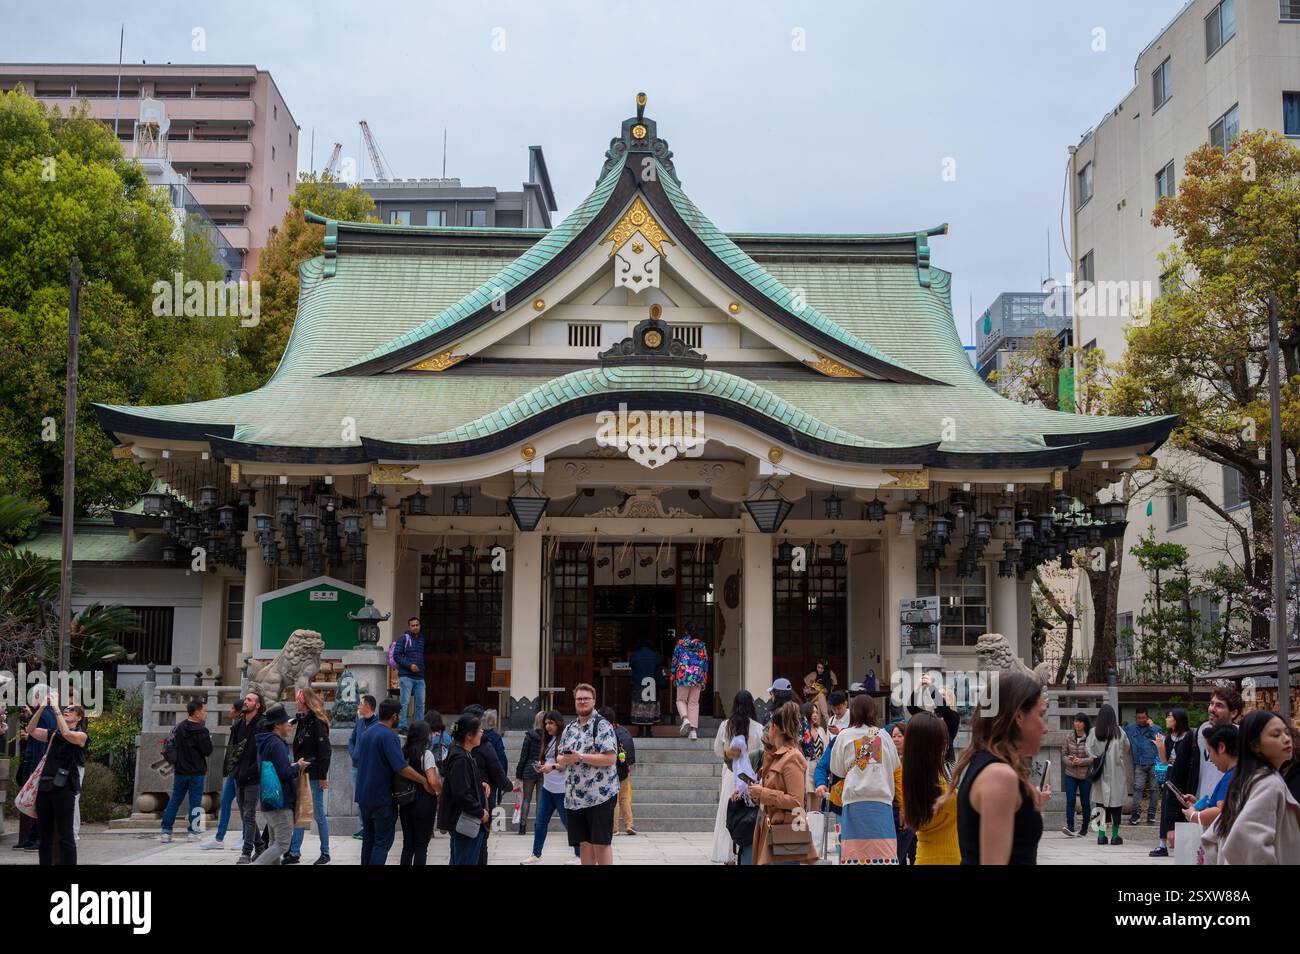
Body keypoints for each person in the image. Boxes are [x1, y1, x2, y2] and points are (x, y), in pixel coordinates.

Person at [954, 671, 1049, 865]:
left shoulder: (986, 764)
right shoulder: (1000, 775)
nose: (1045, 727)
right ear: (1019, 716)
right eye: (1041, 715)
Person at [1201, 710, 1300, 865]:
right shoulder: (1268, 783)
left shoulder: (1249, 779)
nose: (1286, 739)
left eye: (1287, 733)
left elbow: (1213, 838)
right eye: (1276, 734)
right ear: (1255, 746)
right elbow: (1245, 837)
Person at [354, 697, 431, 865]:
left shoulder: (367, 733)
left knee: (368, 840)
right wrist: (423, 780)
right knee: (382, 842)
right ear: (394, 716)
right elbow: (401, 767)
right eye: (400, 715)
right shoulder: (389, 736)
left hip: (363, 795)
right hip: (381, 797)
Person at [830, 694, 899, 864]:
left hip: (854, 803)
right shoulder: (884, 736)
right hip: (881, 802)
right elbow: (895, 765)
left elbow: (837, 769)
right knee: (884, 857)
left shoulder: (844, 736)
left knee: (855, 856)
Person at [557, 683, 620, 865]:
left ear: (594, 701)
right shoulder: (569, 728)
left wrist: (581, 757)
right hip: (575, 797)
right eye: (579, 699)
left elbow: (610, 758)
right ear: (575, 701)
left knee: (601, 843)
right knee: (584, 844)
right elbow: (560, 757)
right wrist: (564, 760)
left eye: (586, 698)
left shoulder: (602, 725)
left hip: (600, 795)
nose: (582, 702)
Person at [749, 701, 818, 865]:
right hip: (771, 828)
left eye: (771, 724)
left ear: (777, 728)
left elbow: (796, 801)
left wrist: (763, 794)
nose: (769, 729)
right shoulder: (775, 756)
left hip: (785, 834)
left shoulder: (791, 758)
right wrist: (756, 793)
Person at [27, 692, 88, 866]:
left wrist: (56, 709)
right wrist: (41, 708)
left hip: (65, 788)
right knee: (44, 835)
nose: (66, 711)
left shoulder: (82, 735)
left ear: (79, 716)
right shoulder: (54, 734)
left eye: (71, 709)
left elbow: (68, 734)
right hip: (45, 786)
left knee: (65, 834)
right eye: (65, 709)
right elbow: (31, 730)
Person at [711, 690, 765, 864]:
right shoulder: (758, 728)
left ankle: (726, 854)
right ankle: (747, 851)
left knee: (729, 813)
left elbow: (718, 751)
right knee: (748, 813)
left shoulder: (726, 726)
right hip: (750, 776)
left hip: (730, 774)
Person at [251, 704, 308, 865]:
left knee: (274, 843)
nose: (290, 726)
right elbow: (283, 773)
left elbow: (276, 769)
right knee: (282, 844)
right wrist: (298, 766)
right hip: (280, 801)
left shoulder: (266, 742)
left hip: (269, 799)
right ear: (277, 725)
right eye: (287, 722)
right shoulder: (276, 744)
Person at [521, 710, 580, 864]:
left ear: (558, 724)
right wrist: (541, 766)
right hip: (547, 789)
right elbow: (546, 760)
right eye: (546, 723)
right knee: (540, 822)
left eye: (551, 723)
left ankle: (579, 854)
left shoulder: (565, 739)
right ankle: (536, 854)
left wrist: (551, 767)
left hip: (562, 790)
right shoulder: (546, 740)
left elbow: (564, 765)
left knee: (569, 823)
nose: (548, 726)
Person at [902, 710, 960, 865]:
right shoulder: (941, 787)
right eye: (942, 741)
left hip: (925, 857)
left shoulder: (913, 780)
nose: (946, 746)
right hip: (947, 858)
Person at [285, 687, 332, 865]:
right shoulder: (303, 721)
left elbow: (325, 752)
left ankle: (325, 852)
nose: (296, 702)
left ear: (304, 700)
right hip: (301, 772)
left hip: (313, 773)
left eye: (298, 699)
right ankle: (294, 852)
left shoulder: (318, 723)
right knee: (299, 813)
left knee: (318, 814)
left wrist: (322, 776)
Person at [438, 714, 490, 865]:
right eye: (479, 730)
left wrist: (479, 785)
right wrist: (480, 812)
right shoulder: (460, 759)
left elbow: (461, 783)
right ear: (469, 735)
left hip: (462, 820)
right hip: (465, 820)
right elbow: (461, 793)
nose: (482, 733)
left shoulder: (462, 754)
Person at [463, 703, 510, 865]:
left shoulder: (460, 746)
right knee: (480, 840)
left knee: (469, 841)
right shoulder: (484, 744)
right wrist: (505, 785)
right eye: (480, 721)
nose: (482, 726)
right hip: (479, 798)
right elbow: (498, 766)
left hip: (477, 795)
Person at [160, 699, 213, 843]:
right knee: (195, 802)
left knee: (175, 800)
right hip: (197, 772)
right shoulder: (202, 731)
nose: (205, 713)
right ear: (196, 713)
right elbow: (208, 751)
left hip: (180, 771)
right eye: (204, 711)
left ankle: (166, 831)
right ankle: (193, 833)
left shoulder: (179, 728)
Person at [200, 700, 249, 851]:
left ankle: (246, 837)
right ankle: (219, 838)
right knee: (226, 801)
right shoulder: (237, 725)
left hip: (240, 770)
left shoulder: (244, 725)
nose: (230, 710)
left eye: (232, 707)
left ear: (239, 711)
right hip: (233, 770)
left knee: (243, 805)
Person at [12, 698, 56, 852]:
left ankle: (37, 838)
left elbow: (40, 742)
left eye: (36, 695)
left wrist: (35, 767)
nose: (33, 698)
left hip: (37, 762)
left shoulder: (45, 714)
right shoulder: (42, 713)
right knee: (34, 802)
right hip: (35, 761)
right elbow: (33, 732)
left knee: (37, 802)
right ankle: (32, 837)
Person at [229, 690, 268, 864]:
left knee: (249, 814)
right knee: (245, 815)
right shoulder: (238, 724)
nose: (246, 702)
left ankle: (246, 852)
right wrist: (233, 769)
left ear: (257, 705)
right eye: (246, 699)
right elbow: (232, 749)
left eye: (250, 700)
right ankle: (260, 847)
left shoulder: (262, 724)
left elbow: (264, 752)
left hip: (254, 776)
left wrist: (253, 770)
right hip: (239, 775)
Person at [1151, 707, 1195, 858]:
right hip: (1171, 775)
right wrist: (1160, 746)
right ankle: (1162, 843)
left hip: (1184, 776)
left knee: (1184, 805)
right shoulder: (1169, 738)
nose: (1166, 719)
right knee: (1166, 807)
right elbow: (1165, 761)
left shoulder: (1189, 737)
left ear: (1178, 719)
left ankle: (1184, 842)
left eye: (1169, 717)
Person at [398, 720, 443, 865]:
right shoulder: (426, 754)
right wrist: (438, 791)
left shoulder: (403, 753)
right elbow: (432, 780)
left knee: (407, 845)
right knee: (421, 846)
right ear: (425, 735)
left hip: (405, 801)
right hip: (424, 802)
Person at [1086, 703, 1131, 846]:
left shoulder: (1094, 731)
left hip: (1100, 772)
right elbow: (1127, 748)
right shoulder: (1120, 732)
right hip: (1116, 773)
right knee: (1116, 804)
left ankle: (1100, 836)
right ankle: (1115, 836)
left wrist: (1096, 756)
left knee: (1099, 803)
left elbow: (1089, 749)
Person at [1181, 724, 1237, 831]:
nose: (1210, 759)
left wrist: (1194, 815)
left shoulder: (1230, 777)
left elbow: (1221, 812)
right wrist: (1198, 803)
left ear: (1221, 748)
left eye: (1209, 752)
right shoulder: (1240, 773)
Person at [1194, 686, 1243, 804]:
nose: (1212, 709)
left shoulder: (1241, 735)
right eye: (1211, 704)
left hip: (1228, 802)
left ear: (1233, 713)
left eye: (1219, 705)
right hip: (1204, 801)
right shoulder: (1202, 731)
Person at [602, 706, 638, 836]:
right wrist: (628, 764)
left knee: (614, 799)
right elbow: (630, 749)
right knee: (624, 797)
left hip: (611, 770)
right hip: (624, 769)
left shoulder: (606, 733)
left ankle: (614, 828)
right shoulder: (623, 731)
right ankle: (629, 824)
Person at [346, 694, 377, 840]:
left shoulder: (377, 724)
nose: (359, 706)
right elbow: (351, 740)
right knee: (359, 799)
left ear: (368, 706)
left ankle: (371, 828)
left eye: (361, 704)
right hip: (356, 766)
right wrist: (353, 753)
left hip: (370, 768)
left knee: (369, 798)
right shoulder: (359, 722)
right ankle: (364, 827)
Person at [670, 623, 709, 740]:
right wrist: (704, 680)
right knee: (694, 703)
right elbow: (706, 663)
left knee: (680, 700)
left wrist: (673, 676)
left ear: (686, 631)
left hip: (683, 674)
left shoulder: (681, 644)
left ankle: (685, 718)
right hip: (697, 676)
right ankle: (693, 732)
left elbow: (675, 660)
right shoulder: (701, 645)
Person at [1124, 706, 1160, 825]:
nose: (1141, 720)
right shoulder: (1130, 728)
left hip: (1154, 762)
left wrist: (1152, 726)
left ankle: (1151, 814)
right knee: (1138, 788)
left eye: (1143, 718)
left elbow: (1160, 740)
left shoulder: (1155, 728)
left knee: (1154, 789)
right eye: (1138, 718)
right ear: (1135, 718)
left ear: (1147, 717)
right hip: (1139, 763)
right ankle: (1136, 814)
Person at [1061, 712, 1093, 837]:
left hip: (1085, 775)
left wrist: (1081, 761)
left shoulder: (1090, 738)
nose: (1077, 724)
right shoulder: (1069, 737)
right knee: (1070, 800)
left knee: (1085, 802)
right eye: (1075, 721)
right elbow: (1063, 754)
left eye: (1080, 721)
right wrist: (1071, 761)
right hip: (1070, 773)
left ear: (1085, 724)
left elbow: (1093, 756)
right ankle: (1070, 826)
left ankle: (1084, 828)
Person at [392, 616, 425, 731]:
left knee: (421, 703)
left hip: (420, 677)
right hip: (406, 675)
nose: (415, 627)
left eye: (417, 625)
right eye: (413, 625)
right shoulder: (404, 638)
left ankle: (419, 726)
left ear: (420, 626)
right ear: (409, 626)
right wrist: (410, 665)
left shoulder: (422, 639)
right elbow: (396, 655)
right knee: (404, 703)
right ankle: (402, 726)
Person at [515, 710, 545, 835]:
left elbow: (523, 756)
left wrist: (518, 774)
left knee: (526, 799)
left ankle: (522, 826)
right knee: (540, 800)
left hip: (529, 769)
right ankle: (538, 826)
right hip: (543, 769)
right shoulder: (548, 737)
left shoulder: (529, 736)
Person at [628, 639, 663, 735]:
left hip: (638, 683)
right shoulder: (655, 655)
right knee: (650, 707)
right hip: (651, 683)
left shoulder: (635, 655)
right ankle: (648, 730)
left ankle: (639, 730)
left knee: (639, 706)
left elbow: (632, 666)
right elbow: (658, 669)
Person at [801, 701, 829, 812]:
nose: (815, 715)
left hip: (818, 767)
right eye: (812, 712)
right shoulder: (802, 731)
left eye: (817, 712)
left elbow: (826, 749)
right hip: (807, 765)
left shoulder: (821, 730)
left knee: (817, 800)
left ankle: (815, 826)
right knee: (807, 797)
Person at [803, 658, 838, 726]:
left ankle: (817, 726)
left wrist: (814, 690)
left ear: (825, 669)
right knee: (821, 695)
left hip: (825, 701)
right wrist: (809, 691)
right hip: (811, 699)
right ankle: (828, 720)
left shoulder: (829, 676)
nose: (820, 670)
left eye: (822, 668)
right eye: (818, 667)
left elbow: (826, 691)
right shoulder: (813, 675)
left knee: (818, 703)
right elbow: (807, 691)